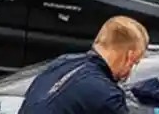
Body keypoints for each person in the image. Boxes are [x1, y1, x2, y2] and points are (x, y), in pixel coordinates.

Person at [17, 16, 149, 114]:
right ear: (129, 56)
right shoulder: (107, 96)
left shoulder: (62, 63)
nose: (130, 71)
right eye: (134, 63)